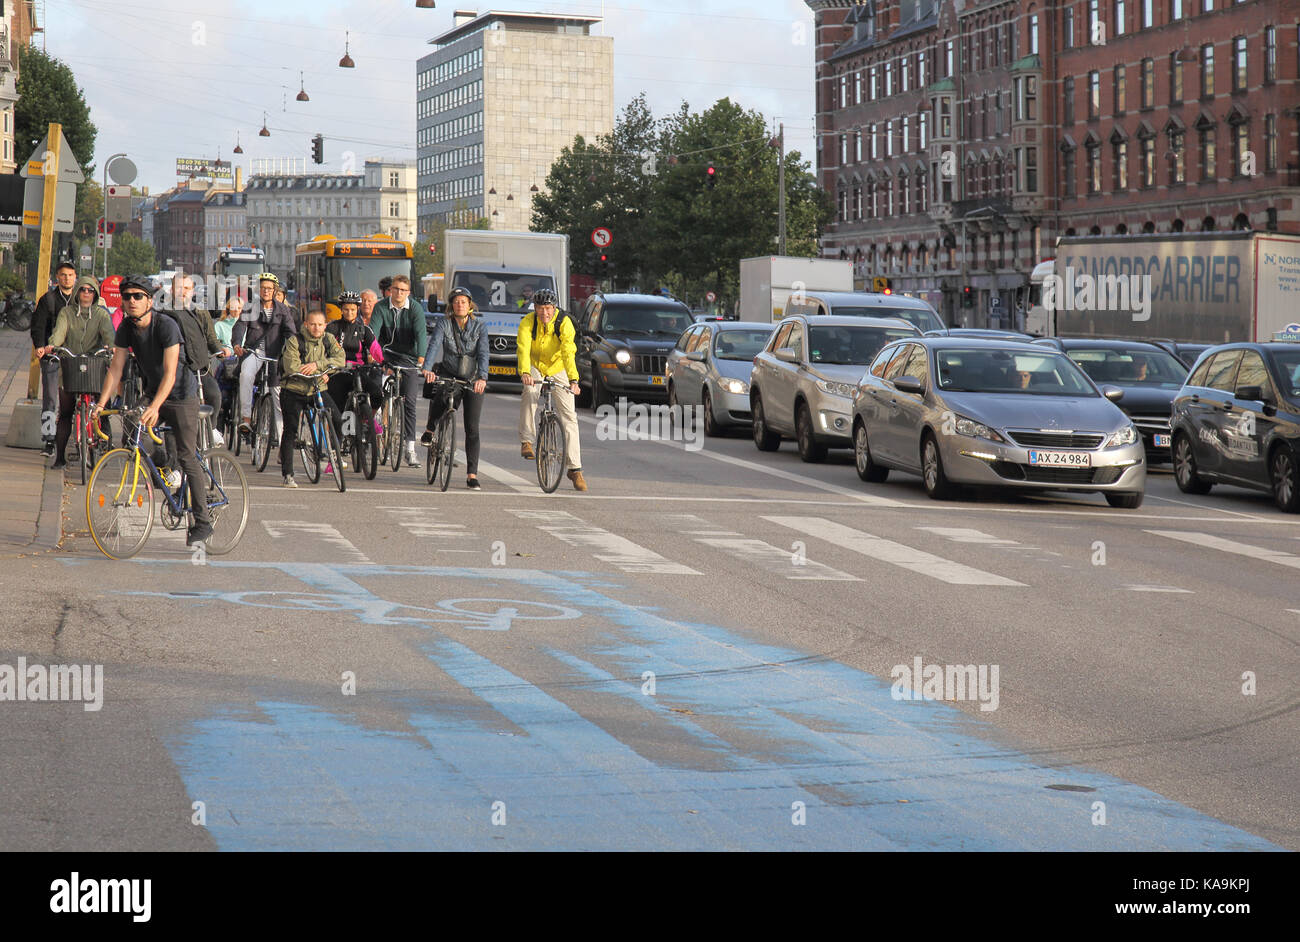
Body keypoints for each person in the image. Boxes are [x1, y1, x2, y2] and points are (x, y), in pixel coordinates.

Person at [92, 275, 211, 546]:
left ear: (149, 299)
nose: (131, 301)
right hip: (153, 392)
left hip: (180, 395)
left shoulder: (166, 325)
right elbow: (116, 369)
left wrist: (156, 406)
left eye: (137, 296)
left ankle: (202, 522)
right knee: (133, 431)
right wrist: (100, 405)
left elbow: (171, 374)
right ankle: (165, 474)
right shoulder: (126, 328)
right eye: (126, 297)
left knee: (186, 454)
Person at [35, 276, 115, 469]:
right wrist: (52, 345)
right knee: (66, 412)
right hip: (70, 365)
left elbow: (109, 335)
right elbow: (59, 332)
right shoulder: (66, 312)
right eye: (83, 290)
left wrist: (112, 347)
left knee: (103, 409)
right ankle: (60, 457)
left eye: (90, 290)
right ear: (77, 291)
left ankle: (107, 445)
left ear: (95, 293)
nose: (86, 293)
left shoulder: (101, 315)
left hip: (94, 366)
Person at [517, 288, 586, 491]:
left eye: (547, 308)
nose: (544, 313)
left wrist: (574, 380)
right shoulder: (528, 322)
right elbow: (522, 348)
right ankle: (527, 441)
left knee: (569, 415)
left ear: (554, 308)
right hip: (535, 365)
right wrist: (524, 372)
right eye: (540, 308)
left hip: (558, 367)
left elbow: (568, 351)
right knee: (530, 392)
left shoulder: (564, 322)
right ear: (535, 308)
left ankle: (575, 469)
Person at [421, 287, 489, 490]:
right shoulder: (444, 323)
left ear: (470, 306)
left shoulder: (480, 327)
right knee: (441, 397)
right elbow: (434, 346)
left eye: (464, 301)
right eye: (456, 301)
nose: (460, 305)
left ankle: (471, 475)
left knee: (472, 428)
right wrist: (427, 369)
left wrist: (482, 378)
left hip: (472, 378)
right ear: (452, 306)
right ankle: (430, 428)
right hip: (449, 373)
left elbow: (484, 353)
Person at [279, 309, 346, 488]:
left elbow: (340, 359)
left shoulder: (328, 339)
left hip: (317, 388)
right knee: (290, 430)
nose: (316, 328)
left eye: (320, 324)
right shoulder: (295, 341)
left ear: (325, 325)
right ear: (306, 324)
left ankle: (334, 453)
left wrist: (318, 366)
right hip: (294, 390)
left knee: (338, 419)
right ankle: (288, 474)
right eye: (313, 324)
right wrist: (318, 371)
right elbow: (291, 366)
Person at [370, 275, 427, 467]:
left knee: (410, 402)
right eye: (395, 289)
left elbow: (421, 333)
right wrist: (373, 353)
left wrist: (421, 357)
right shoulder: (381, 307)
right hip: (386, 355)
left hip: (409, 359)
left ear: (408, 293)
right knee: (377, 391)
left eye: (403, 290)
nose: (399, 293)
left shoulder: (416, 309)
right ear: (390, 291)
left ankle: (410, 449)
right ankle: (377, 425)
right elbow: (373, 332)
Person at [233, 273, 297, 440]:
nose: (266, 291)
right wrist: (237, 344)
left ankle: (283, 441)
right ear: (258, 290)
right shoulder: (249, 307)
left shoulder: (283, 310)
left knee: (277, 394)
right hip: (254, 352)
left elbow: (291, 333)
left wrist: (292, 351)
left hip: (275, 354)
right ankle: (246, 419)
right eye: (263, 288)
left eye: (269, 288)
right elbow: (240, 326)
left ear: (275, 290)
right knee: (245, 375)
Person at [30, 261, 79, 456]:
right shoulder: (48, 299)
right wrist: (40, 346)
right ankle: (49, 440)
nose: (67, 278)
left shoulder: (81, 299)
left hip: (75, 356)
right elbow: (38, 326)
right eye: (63, 275)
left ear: (75, 277)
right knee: (51, 399)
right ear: (57, 277)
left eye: (70, 275)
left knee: (80, 398)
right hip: (52, 356)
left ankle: (85, 438)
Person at [326, 291, 383, 436]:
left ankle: (366, 418)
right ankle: (336, 449)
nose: (349, 312)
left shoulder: (364, 329)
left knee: (377, 394)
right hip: (338, 372)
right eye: (346, 309)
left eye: (352, 309)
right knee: (338, 413)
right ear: (341, 309)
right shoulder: (332, 328)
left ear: (357, 309)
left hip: (358, 371)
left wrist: (384, 362)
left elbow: (375, 349)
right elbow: (323, 348)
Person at [171, 274, 227, 419]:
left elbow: (211, 338)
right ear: (171, 290)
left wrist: (220, 350)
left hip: (200, 367)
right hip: (175, 367)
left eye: (186, 288)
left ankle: (211, 431)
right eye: (178, 288)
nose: (182, 291)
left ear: (193, 291)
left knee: (214, 396)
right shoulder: (165, 313)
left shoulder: (201, 312)